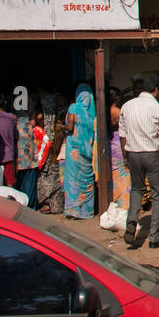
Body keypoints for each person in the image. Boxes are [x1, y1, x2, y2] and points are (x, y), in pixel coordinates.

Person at [120, 76, 159, 249]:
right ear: (156, 90)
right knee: (158, 196)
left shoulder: (127, 106)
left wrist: (126, 157)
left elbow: (123, 135)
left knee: (136, 190)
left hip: (134, 154)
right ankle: (155, 237)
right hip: (153, 154)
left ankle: (131, 223)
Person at [62, 84, 98, 219]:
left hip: (75, 151)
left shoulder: (74, 107)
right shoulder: (92, 113)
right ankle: (86, 212)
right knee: (87, 181)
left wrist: (61, 128)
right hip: (88, 152)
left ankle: (73, 210)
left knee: (73, 180)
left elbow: (70, 127)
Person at [14, 111, 46, 207]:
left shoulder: (12, 117)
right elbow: (33, 122)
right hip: (29, 151)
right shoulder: (31, 104)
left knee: (18, 184)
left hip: (17, 152)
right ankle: (29, 207)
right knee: (29, 184)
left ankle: (19, 206)